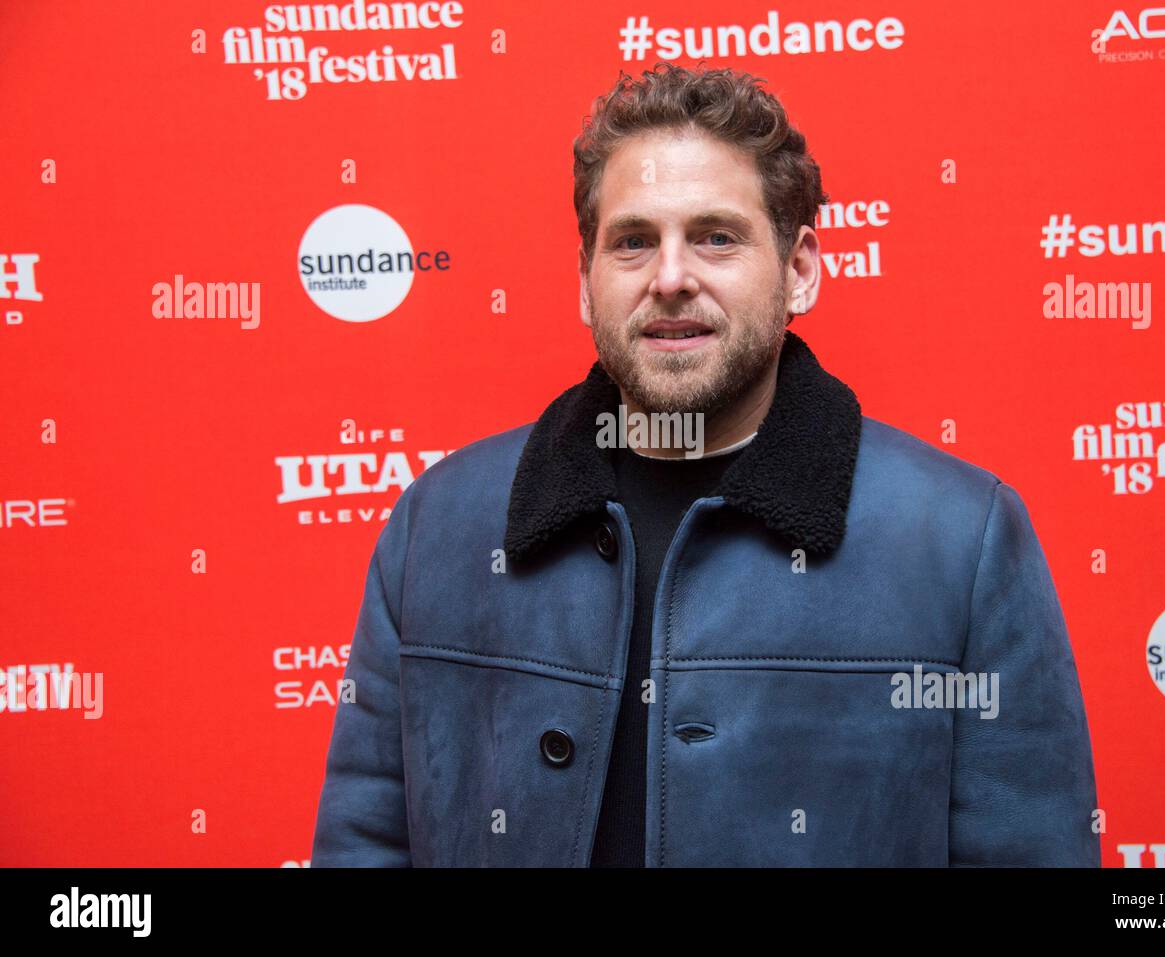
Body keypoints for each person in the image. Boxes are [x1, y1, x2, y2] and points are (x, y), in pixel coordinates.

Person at [311, 62, 1101, 867]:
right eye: (633, 242)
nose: (671, 277)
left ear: (800, 271)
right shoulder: (437, 527)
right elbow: (366, 841)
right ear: (585, 284)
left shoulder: (960, 540)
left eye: (716, 237)